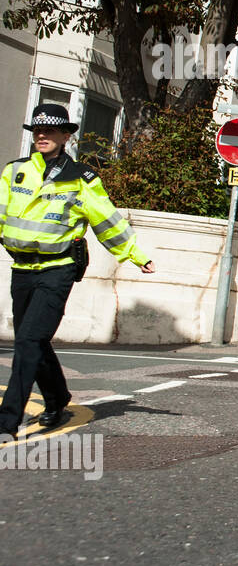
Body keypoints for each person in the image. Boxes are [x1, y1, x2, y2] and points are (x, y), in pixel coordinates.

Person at [0, 103, 155, 436]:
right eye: (38, 131)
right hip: (22, 269)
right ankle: (57, 399)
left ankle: (6, 421)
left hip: (58, 270)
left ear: (66, 136)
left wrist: (135, 254)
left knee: (27, 341)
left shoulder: (81, 178)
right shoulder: (15, 171)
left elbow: (106, 219)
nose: (42, 136)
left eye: (51, 131)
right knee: (35, 342)